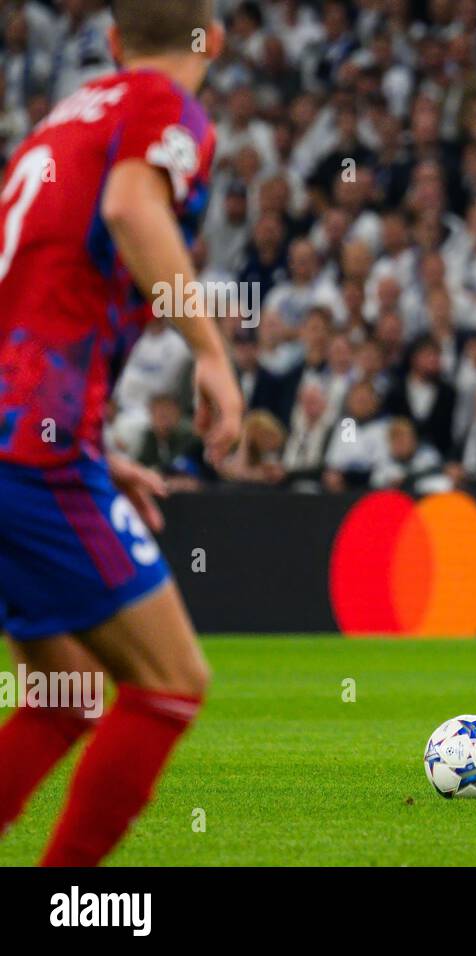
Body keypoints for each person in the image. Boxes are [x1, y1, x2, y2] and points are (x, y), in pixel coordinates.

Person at [0, 0, 242, 867]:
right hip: (32, 449)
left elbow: (29, 303)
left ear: (110, 43)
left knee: (65, 696)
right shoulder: (162, 107)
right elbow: (132, 208)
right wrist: (210, 353)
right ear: (209, 41)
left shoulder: (55, 125)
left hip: (25, 434)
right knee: (172, 682)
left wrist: (96, 449)